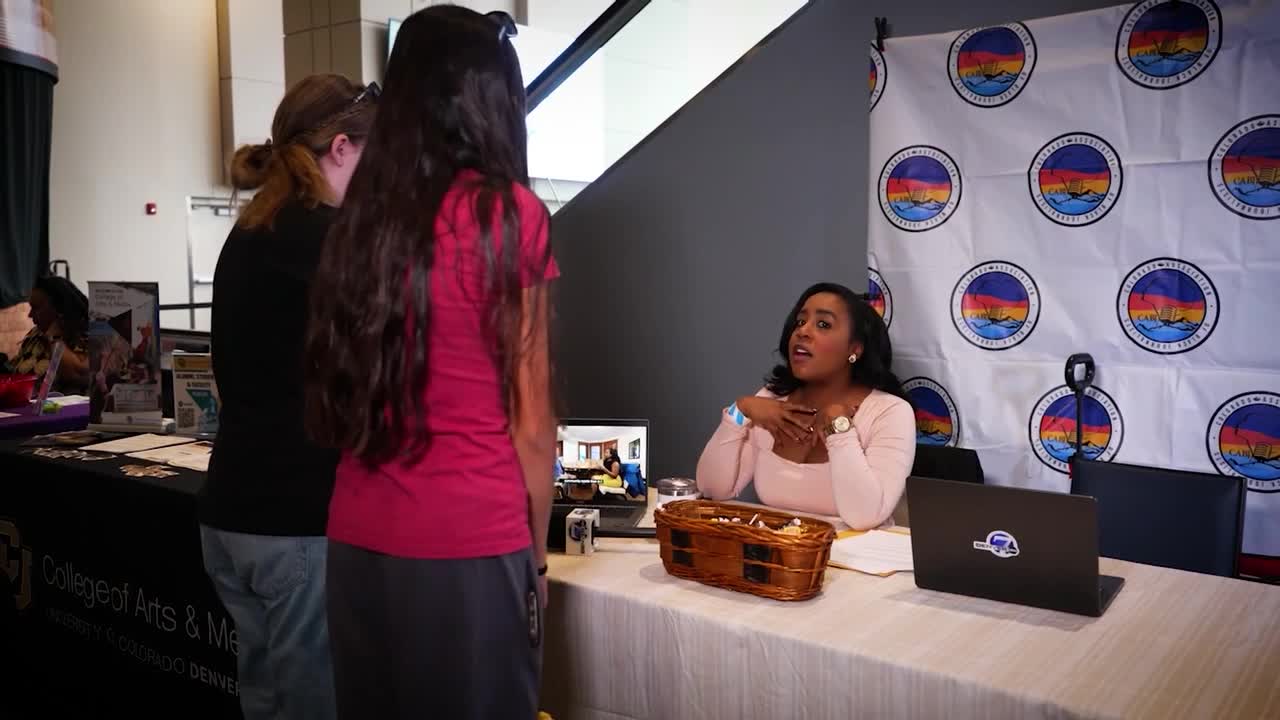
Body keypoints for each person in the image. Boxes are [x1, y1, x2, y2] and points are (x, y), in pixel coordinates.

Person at [303, 7, 557, 719]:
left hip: (356, 541)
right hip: (469, 550)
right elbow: (532, 422)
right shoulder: (507, 214)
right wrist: (536, 562)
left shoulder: (358, 222)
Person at [197, 73, 376, 720]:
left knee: (266, 704)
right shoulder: (328, 241)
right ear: (340, 149)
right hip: (296, 522)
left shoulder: (248, 232)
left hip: (231, 514)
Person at [696, 282, 916, 530]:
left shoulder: (890, 412)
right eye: (800, 322)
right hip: (782, 560)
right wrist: (740, 412)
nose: (803, 332)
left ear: (854, 349)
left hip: (860, 565)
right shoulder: (771, 400)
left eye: (823, 325)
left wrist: (839, 429)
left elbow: (865, 516)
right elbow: (712, 488)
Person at [10, 275, 90, 394]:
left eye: (36, 308)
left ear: (58, 308)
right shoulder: (35, 335)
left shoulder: (87, 336)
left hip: (70, 412)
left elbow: (75, 375)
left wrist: (54, 338)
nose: (30, 315)